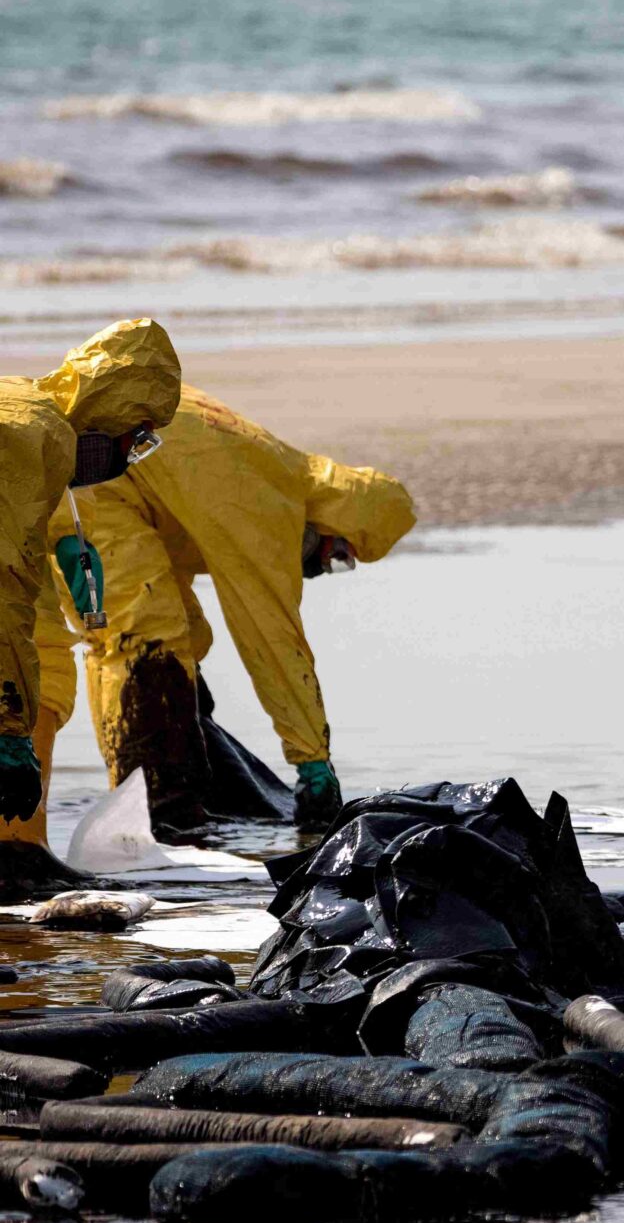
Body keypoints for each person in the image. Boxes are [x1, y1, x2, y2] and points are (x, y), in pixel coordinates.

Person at [48, 386, 415, 836]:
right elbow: (272, 640)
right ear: (330, 521)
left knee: (185, 638)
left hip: (100, 480)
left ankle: (172, 785)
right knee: (143, 638)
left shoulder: (269, 463)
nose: (321, 567)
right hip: (91, 486)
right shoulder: (268, 502)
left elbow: (166, 521)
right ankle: (155, 813)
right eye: (336, 554)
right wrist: (312, 758)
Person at [0, 319, 185, 865]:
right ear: (113, 417)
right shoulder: (42, 435)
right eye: (138, 437)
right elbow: (6, 588)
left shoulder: (24, 405)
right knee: (42, 660)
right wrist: (11, 728)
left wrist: (59, 537)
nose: (130, 457)